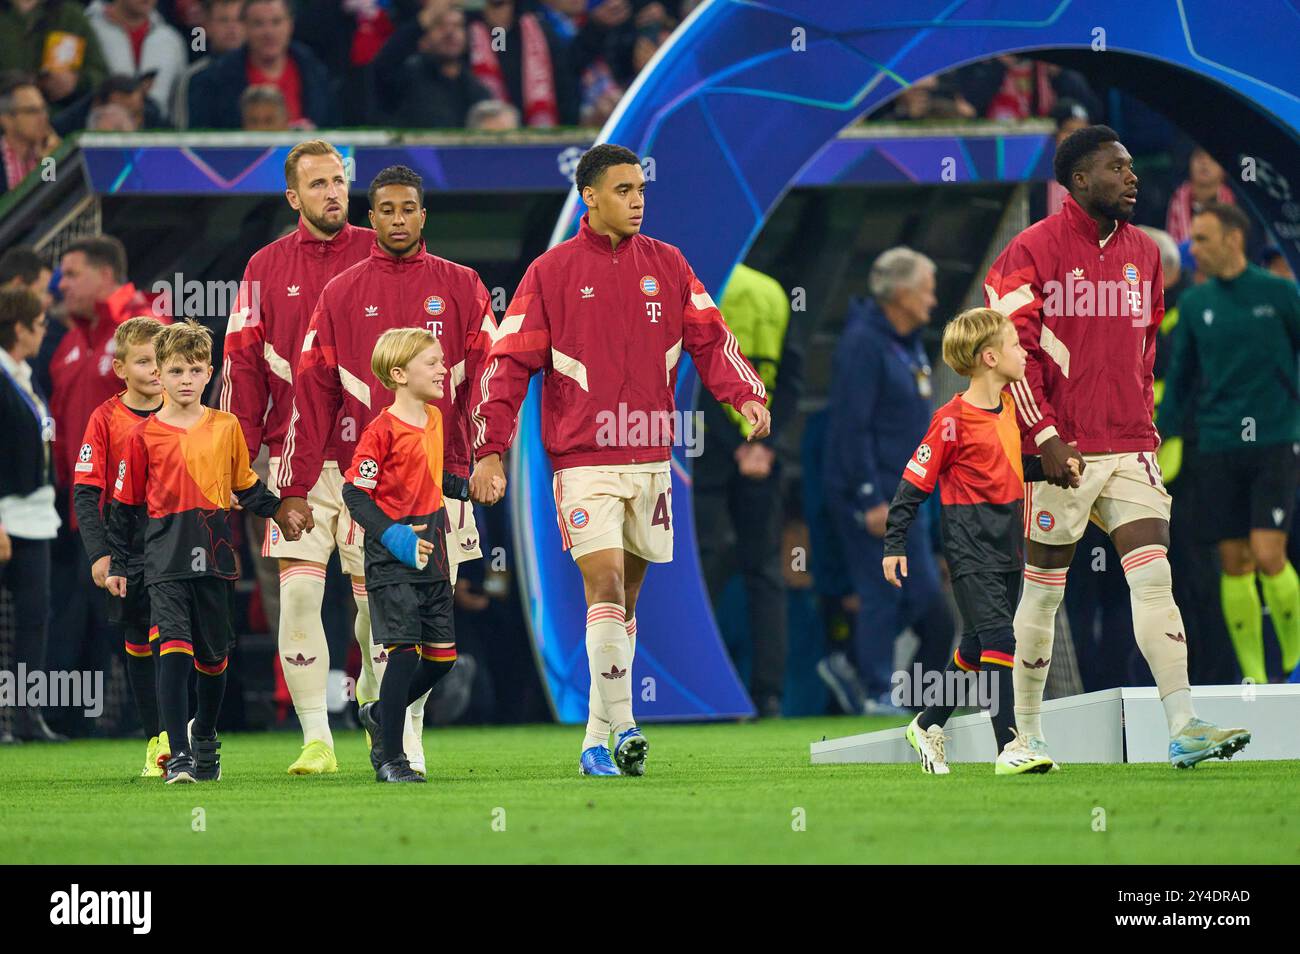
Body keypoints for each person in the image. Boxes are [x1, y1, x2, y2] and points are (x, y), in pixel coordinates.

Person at [470, 143, 770, 777]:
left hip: (650, 458)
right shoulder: (550, 273)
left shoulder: (668, 264)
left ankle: (594, 742)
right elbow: (505, 367)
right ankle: (629, 727)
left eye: (641, 189)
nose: (638, 200)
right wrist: (490, 451)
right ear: (590, 196)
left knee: (625, 607)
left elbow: (712, 340)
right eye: (625, 189)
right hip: (584, 462)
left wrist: (746, 395)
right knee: (602, 585)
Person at [986, 124, 1250, 769]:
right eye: (1117, 168)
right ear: (1079, 180)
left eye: (1133, 166)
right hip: (1056, 449)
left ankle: (1184, 726)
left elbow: (1143, 351)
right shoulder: (1030, 251)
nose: (1133, 178)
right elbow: (1009, 358)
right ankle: (1026, 737)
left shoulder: (1148, 255)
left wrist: (1144, 431)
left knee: (1154, 575)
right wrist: (1043, 435)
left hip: (1129, 445)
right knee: (1044, 592)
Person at [278, 163, 494, 776]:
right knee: (379, 616)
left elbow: (491, 379)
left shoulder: (463, 285)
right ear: (370, 218)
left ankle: (394, 727)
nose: (398, 220)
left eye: (409, 209)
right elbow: (312, 389)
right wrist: (293, 486)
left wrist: (488, 456)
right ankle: (383, 738)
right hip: (372, 487)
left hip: (441, 482)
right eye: (387, 210)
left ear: (424, 215)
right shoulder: (342, 291)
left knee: (432, 629)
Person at [219, 139, 374, 774]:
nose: (333, 193)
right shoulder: (262, 267)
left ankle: (371, 710)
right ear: (293, 197)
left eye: (339, 181)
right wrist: (238, 456)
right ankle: (317, 738)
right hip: (293, 467)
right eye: (318, 185)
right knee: (301, 599)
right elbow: (241, 367)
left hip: (374, 463)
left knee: (373, 608)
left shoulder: (380, 252)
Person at [884, 308, 1080, 775]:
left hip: (1008, 544)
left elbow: (1010, 467)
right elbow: (912, 485)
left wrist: (1057, 469)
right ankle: (1010, 747)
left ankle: (927, 724)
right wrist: (894, 545)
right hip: (970, 547)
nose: (1022, 352)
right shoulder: (950, 421)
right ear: (990, 357)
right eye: (1015, 344)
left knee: (974, 647)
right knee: (999, 639)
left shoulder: (1009, 409)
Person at [107, 320, 303, 783]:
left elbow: (246, 485)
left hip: (215, 556)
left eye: (195, 370)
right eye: (176, 371)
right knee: (172, 647)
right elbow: (125, 507)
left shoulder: (225, 426)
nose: (186, 380)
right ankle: (176, 754)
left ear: (210, 373)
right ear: (160, 373)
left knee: (213, 660)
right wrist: (119, 564)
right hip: (164, 561)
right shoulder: (143, 436)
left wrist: (281, 512)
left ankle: (206, 738)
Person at [1157, 202, 1300, 684]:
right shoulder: (1196, 306)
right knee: (1234, 563)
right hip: (1218, 447)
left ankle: (1295, 667)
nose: (1193, 251)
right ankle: (1257, 681)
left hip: (1276, 442)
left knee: (1267, 554)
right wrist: (1160, 434)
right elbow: (1180, 383)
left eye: (1202, 239)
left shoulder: (1280, 294)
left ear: (1233, 239)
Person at [822, 247, 954, 715]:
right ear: (899, 293)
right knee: (885, 592)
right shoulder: (863, 344)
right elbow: (849, 427)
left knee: (927, 608)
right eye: (926, 289)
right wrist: (869, 500)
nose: (933, 300)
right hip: (876, 497)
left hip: (907, 497)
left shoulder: (909, 341)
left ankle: (875, 681)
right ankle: (876, 691)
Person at [344, 328, 458, 783]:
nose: (442, 368)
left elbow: (430, 477)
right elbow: (355, 492)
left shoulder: (434, 419)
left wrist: (465, 488)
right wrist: (394, 536)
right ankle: (392, 758)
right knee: (404, 653)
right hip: (392, 562)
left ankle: (378, 713)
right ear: (398, 374)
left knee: (443, 658)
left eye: (442, 360)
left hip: (433, 554)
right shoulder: (382, 430)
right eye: (431, 362)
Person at [694, 263, 797, 717]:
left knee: (702, 570)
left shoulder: (705, 287)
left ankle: (701, 686)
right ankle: (768, 693)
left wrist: (734, 445)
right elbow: (790, 376)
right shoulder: (774, 290)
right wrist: (764, 444)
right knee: (766, 575)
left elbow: (695, 379)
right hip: (763, 455)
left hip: (709, 458)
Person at [72, 316, 167, 776]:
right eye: (144, 361)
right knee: (141, 638)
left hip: (186, 539)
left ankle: (195, 735)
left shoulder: (186, 410)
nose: (155, 370)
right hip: (130, 544)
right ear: (121, 369)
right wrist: (99, 553)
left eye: (161, 360)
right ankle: (159, 741)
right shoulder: (106, 418)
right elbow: (86, 491)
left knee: (196, 644)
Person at [0, 287, 62, 744]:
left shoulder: (24, 374)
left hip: (37, 514)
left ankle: (27, 716)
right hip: (5, 514)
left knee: (34, 617)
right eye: (40, 325)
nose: (46, 333)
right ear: (19, 329)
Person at [185, 0, 332, 129]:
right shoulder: (211, 81)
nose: (268, 32)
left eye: (276, 22)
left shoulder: (316, 74)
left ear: (290, 25)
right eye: (258, 23)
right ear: (245, 27)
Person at [372, 3, 494, 129]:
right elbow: (384, 63)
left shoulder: (476, 89)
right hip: (415, 149)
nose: (450, 32)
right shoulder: (408, 78)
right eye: (440, 25)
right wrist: (425, 18)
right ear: (424, 38)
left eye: (457, 26)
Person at [468, 0, 578, 127]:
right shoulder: (467, 28)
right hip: (485, 129)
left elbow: (564, 85)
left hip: (538, 131)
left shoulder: (538, 29)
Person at [85, 0, 188, 120]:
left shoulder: (171, 40)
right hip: (97, 132)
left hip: (157, 134)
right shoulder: (89, 29)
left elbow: (178, 102)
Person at [0, 0, 109, 110]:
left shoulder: (71, 16)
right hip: (4, 109)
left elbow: (101, 75)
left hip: (58, 114)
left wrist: (76, 81)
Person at [170, 0, 244, 128]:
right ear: (207, 26)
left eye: (239, 19)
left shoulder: (260, 69)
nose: (232, 27)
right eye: (223, 20)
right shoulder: (193, 79)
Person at [0, 73, 60, 198]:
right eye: (32, 111)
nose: (43, 117)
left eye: (44, 109)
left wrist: (51, 161)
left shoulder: (49, 153)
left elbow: (53, 204)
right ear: (6, 120)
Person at [1165, 146, 1236, 246]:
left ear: (1224, 169)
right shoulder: (1177, 198)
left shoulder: (1235, 202)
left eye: (1212, 158)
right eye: (1199, 157)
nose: (1204, 162)